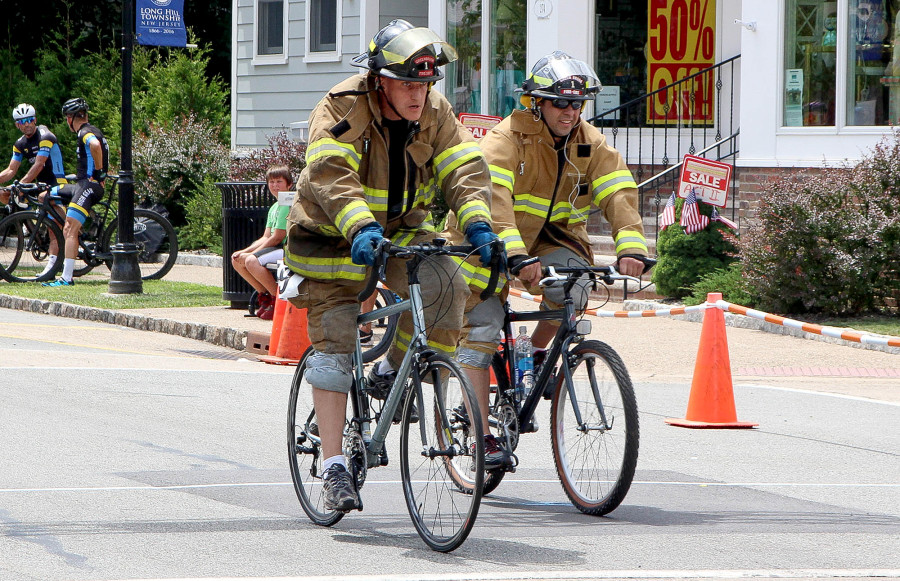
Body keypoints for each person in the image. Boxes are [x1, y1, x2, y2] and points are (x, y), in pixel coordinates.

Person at [284, 19, 498, 512]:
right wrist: (359, 226)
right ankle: (336, 466)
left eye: (424, 84)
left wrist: (479, 224)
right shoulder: (342, 107)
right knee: (336, 347)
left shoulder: (436, 112)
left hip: (402, 229)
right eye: (407, 83)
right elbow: (330, 173)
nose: (418, 94)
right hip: (333, 237)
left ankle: (393, 371)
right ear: (380, 79)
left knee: (447, 286)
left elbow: (464, 168)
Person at [447, 51, 649, 468]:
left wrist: (631, 246)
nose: (570, 112)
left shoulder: (588, 141)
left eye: (577, 104)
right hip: (485, 240)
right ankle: (481, 437)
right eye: (560, 102)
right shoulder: (504, 141)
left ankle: (538, 357)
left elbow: (618, 190)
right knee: (483, 329)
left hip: (549, 237)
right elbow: (494, 203)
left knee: (574, 289)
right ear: (535, 103)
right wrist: (515, 256)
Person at [42, 98, 109, 287]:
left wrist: (98, 172)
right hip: (81, 185)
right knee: (46, 195)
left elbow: (95, 146)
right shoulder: (91, 130)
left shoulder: (85, 132)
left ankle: (66, 278)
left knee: (68, 229)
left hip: (89, 187)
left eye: (66, 118)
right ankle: (76, 228)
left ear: (71, 118)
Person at [0, 103, 69, 275]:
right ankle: (27, 217)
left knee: (54, 228)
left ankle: (52, 264)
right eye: (22, 121)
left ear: (35, 119)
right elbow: (10, 170)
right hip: (39, 185)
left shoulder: (45, 136)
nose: (27, 124)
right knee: (3, 193)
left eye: (30, 120)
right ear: (17, 124)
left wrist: (20, 184)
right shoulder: (20, 144)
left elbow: (39, 165)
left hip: (56, 182)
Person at [230, 165, 294, 320]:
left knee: (251, 261)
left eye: (279, 181)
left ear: (289, 184)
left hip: (286, 248)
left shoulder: (287, 204)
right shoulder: (274, 206)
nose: (275, 185)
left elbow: (278, 237)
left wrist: (250, 254)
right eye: (271, 182)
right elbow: (266, 236)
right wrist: (245, 251)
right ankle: (264, 296)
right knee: (236, 259)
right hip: (274, 246)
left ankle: (276, 299)